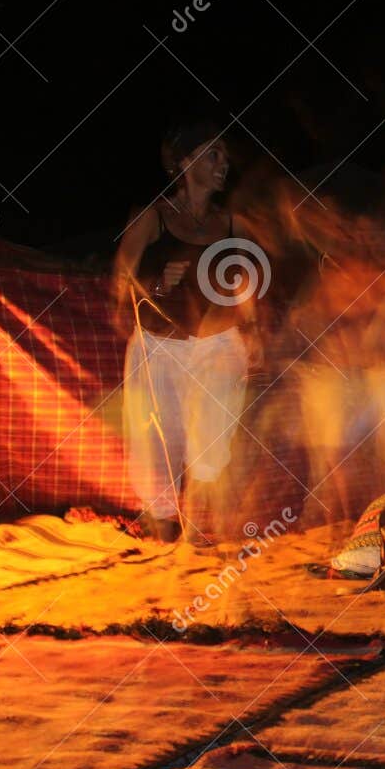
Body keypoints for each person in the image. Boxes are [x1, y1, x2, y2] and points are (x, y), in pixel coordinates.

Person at [113, 121, 263, 545]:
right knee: (156, 445)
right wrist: (159, 283)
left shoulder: (235, 222)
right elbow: (120, 283)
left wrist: (253, 328)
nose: (224, 164)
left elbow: (248, 278)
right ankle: (163, 545)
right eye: (213, 154)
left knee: (211, 443)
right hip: (160, 345)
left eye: (226, 156)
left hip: (219, 343)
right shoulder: (152, 218)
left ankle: (196, 541)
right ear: (185, 161)